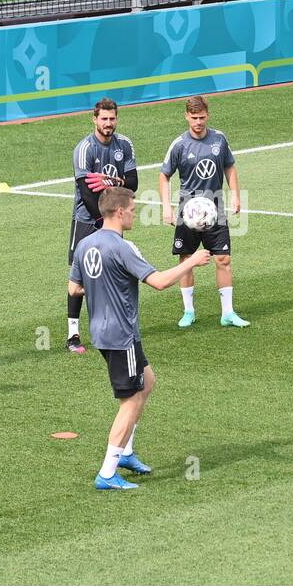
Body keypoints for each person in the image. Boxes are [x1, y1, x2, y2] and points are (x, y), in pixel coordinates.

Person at [69, 188, 211, 490]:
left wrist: (102, 286)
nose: (135, 213)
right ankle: (107, 472)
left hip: (101, 332)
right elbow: (158, 282)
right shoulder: (123, 248)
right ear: (119, 212)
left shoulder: (84, 245)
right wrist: (192, 261)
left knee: (147, 382)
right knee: (130, 401)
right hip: (122, 336)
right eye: (132, 208)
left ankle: (126, 452)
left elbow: (73, 289)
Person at [157, 95, 249, 328]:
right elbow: (164, 175)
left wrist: (236, 194)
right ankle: (189, 311)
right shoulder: (179, 144)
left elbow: (229, 166)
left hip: (215, 207)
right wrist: (166, 207)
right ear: (187, 116)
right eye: (194, 117)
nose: (198, 121)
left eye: (202, 117)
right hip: (188, 210)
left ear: (208, 115)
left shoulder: (219, 139)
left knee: (223, 258)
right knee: (187, 259)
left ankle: (227, 313)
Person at [66, 98, 138, 354]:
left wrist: (114, 182)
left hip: (113, 220)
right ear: (94, 119)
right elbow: (86, 193)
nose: (108, 124)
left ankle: (112, 324)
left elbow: (132, 183)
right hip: (86, 219)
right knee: (79, 277)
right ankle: (72, 334)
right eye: (104, 119)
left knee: (115, 272)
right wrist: (103, 222)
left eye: (112, 119)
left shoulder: (125, 145)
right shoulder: (85, 149)